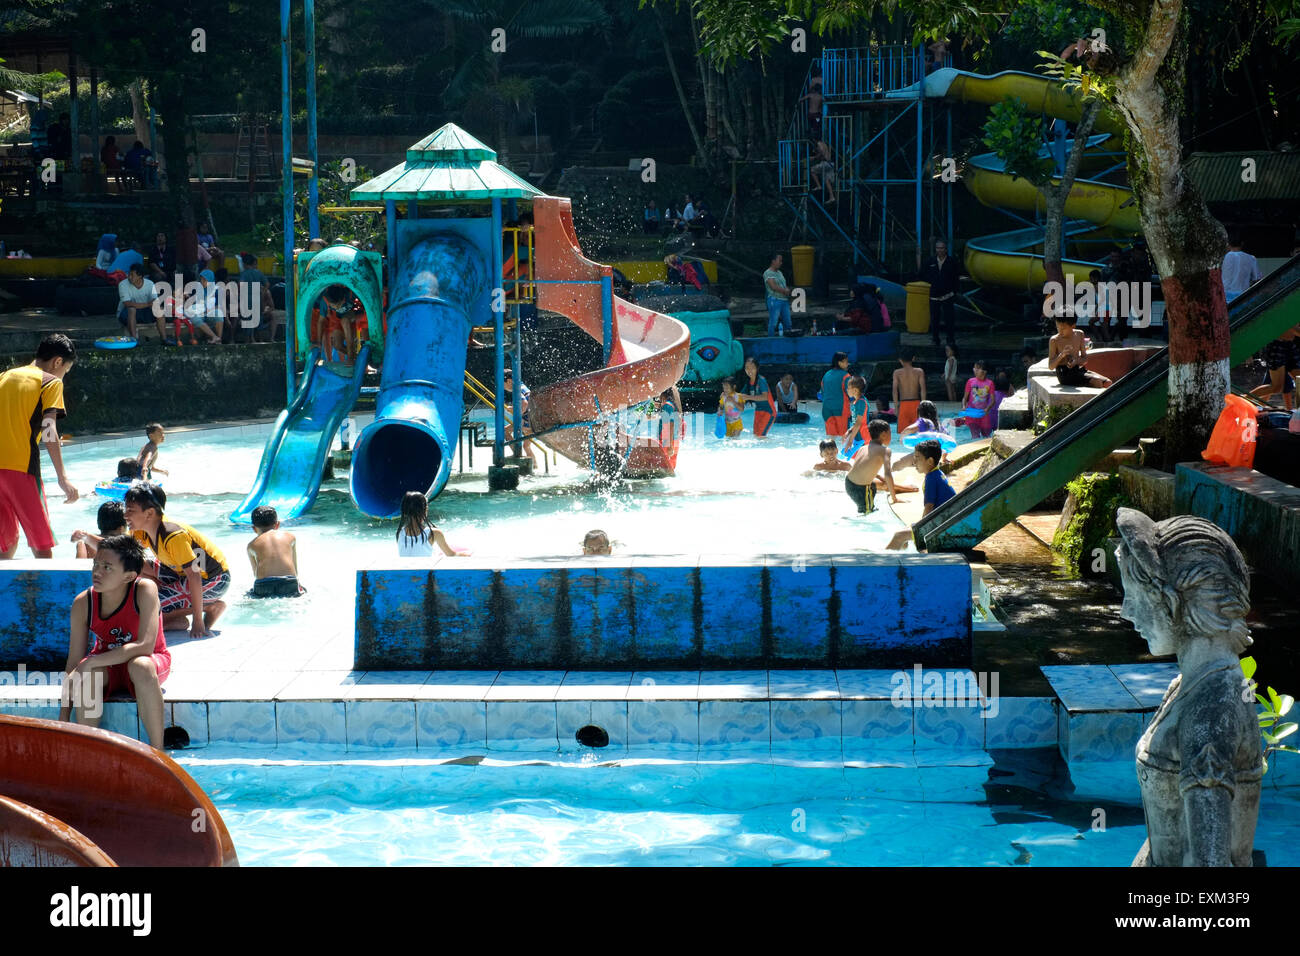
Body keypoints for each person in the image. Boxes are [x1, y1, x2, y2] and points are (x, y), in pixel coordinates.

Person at [58, 535, 170, 749]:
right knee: (88, 675)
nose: (97, 572)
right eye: (96, 564)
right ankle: (92, 752)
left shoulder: (144, 589)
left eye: (107, 567)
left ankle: (159, 751)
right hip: (107, 667)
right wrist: (63, 716)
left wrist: (90, 662)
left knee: (141, 665)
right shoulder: (84, 602)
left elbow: (145, 645)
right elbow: (74, 663)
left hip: (149, 661)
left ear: (129, 576)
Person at [0, 334, 79, 559]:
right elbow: (48, 429)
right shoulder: (50, 382)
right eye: (66, 369)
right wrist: (62, 477)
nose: (64, 374)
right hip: (21, 467)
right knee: (41, 542)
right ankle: (50, 595)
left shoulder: (4, 376)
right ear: (57, 362)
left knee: (5, 542)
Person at [123, 482, 229, 638]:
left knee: (148, 607)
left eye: (130, 510)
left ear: (149, 514)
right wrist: (88, 538)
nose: (125, 515)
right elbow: (120, 552)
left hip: (213, 580)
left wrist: (198, 621)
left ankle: (210, 608)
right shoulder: (141, 530)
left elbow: (195, 575)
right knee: (132, 562)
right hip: (180, 573)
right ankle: (175, 620)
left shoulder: (173, 535)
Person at [246, 506, 303, 598]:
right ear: (277, 525)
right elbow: (295, 569)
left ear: (254, 528)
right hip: (288, 582)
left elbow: (255, 574)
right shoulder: (290, 537)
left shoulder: (251, 545)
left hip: (263, 585)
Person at [844, 420, 898, 515]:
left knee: (872, 486)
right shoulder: (885, 451)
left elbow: (860, 467)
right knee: (868, 514)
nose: (891, 436)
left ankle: (867, 506)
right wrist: (895, 498)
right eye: (890, 433)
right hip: (860, 488)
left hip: (849, 482)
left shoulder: (863, 448)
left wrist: (878, 477)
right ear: (884, 434)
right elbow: (888, 474)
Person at [1048, 315, 1112, 389]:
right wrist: (1061, 355)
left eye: (1063, 328)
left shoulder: (1079, 334)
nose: (1060, 331)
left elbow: (1085, 359)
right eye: (1058, 327)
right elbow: (1051, 366)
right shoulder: (1054, 340)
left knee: (1108, 382)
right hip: (1064, 373)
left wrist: (1076, 361)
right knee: (1096, 381)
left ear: (1073, 326)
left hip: (1079, 369)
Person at [396, 491, 466, 557]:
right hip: (425, 570)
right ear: (425, 510)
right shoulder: (434, 533)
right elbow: (451, 555)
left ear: (404, 511)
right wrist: (467, 555)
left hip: (404, 570)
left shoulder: (399, 533)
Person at [1249, 325, 1300, 410]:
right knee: (1276, 387)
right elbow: (1291, 329)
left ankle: (1297, 414)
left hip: (1291, 345)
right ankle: (1242, 398)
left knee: (1298, 379)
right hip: (1276, 346)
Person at [922, 239, 959, 348]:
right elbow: (923, 274)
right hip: (934, 296)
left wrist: (954, 292)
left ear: (946, 249)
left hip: (948, 295)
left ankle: (950, 339)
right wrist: (932, 283)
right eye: (938, 248)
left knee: (949, 319)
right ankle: (935, 339)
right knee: (934, 319)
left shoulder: (952, 262)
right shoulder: (930, 261)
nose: (940, 250)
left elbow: (956, 278)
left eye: (942, 248)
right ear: (935, 249)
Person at [237, 252, 281, 343]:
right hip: (257, 300)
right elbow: (267, 284)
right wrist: (262, 292)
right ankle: (257, 340)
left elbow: (240, 286)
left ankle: (248, 339)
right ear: (254, 263)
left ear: (244, 264)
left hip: (246, 300)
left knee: (248, 320)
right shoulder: (258, 273)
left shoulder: (244, 274)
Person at [116, 263, 165, 342]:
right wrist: (148, 304)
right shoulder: (122, 284)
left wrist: (153, 305)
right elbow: (127, 304)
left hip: (145, 313)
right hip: (126, 313)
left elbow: (155, 301)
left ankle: (164, 339)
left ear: (140, 276)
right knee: (132, 309)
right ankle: (134, 340)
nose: (129, 277)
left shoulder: (150, 284)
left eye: (132, 275)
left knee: (159, 309)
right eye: (129, 274)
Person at [502, 368, 537, 466]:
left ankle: (517, 453)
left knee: (505, 431)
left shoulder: (516, 389)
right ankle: (535, 466)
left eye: (502, 384)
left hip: (527, 422)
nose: (503, 387)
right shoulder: (522, 386)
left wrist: (517, 414)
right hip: (532, 420)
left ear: (508, 381)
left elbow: (524, 404)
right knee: (527, 446)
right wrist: (513, 408)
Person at [959, 360, 1001, 439]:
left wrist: (987, 409)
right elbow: (965, 398)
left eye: (977, 368)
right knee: (975, 436)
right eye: (975, 368)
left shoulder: (990, 383)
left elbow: (993, 400)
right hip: (972, 413)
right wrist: (964, 406)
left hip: (983, 413)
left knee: (986, 436)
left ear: (984, 371)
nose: (975, 370)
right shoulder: (970, 381)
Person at [738, 357, 776, 437]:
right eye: (747, 368)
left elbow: (764, 397)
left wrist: (748, 397)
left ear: (757, 368)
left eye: (752, 368)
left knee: (761, 436)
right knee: (756, 435)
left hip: (769, 412)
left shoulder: (761, 380)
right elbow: (740, 396)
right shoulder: (748, 383)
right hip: (758, 411)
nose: (749, 370)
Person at [183, 270, 224, 343]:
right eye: (201, 279)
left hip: (211, 313)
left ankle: (219, 339)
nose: (202, 281)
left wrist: (209, 309)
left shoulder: (217, 290)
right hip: (200, 313)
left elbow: (219, 306)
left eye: (204, 280)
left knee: (219, 313)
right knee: (192, 315)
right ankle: (214, 337)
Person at [892, 352, 926, 433]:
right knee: (918, 432)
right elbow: (923, 389)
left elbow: (894, 391)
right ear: (913, 358)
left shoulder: (897, 373)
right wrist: (923, 405)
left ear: (900, 360)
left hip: (903, 405)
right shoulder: (919, 371)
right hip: (916, 404)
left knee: (903, 434)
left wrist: (896, 407)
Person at [1222, 235, 1262, 303]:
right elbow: (1257, 279)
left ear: (1228, 244)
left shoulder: (1222, 259)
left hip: (1223, 299)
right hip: (1242, 298)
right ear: (1242, 244)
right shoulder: (1251, 258)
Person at [820, 352, 851, 436]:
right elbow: (851, 394)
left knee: (831, 437)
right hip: (841, 410)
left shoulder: (826, 374)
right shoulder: (846, 376)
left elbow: (821, 393)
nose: (848, 363)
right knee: (844, 436)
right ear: (839, 362)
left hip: (826, 410)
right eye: (846, 361)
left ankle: (826, 449)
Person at [763, 253, 793, 337]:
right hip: (774, 300)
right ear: (773, 261)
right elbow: (773, 286)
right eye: (779, 260)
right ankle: (770, 341)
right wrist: (784, 290)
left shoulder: (780, 273)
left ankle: (788, 341)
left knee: (788, 323)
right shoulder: (768, 273)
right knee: (773, 323)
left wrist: (786, 289)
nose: (781, 263)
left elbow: (783, 284)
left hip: (784, 300)